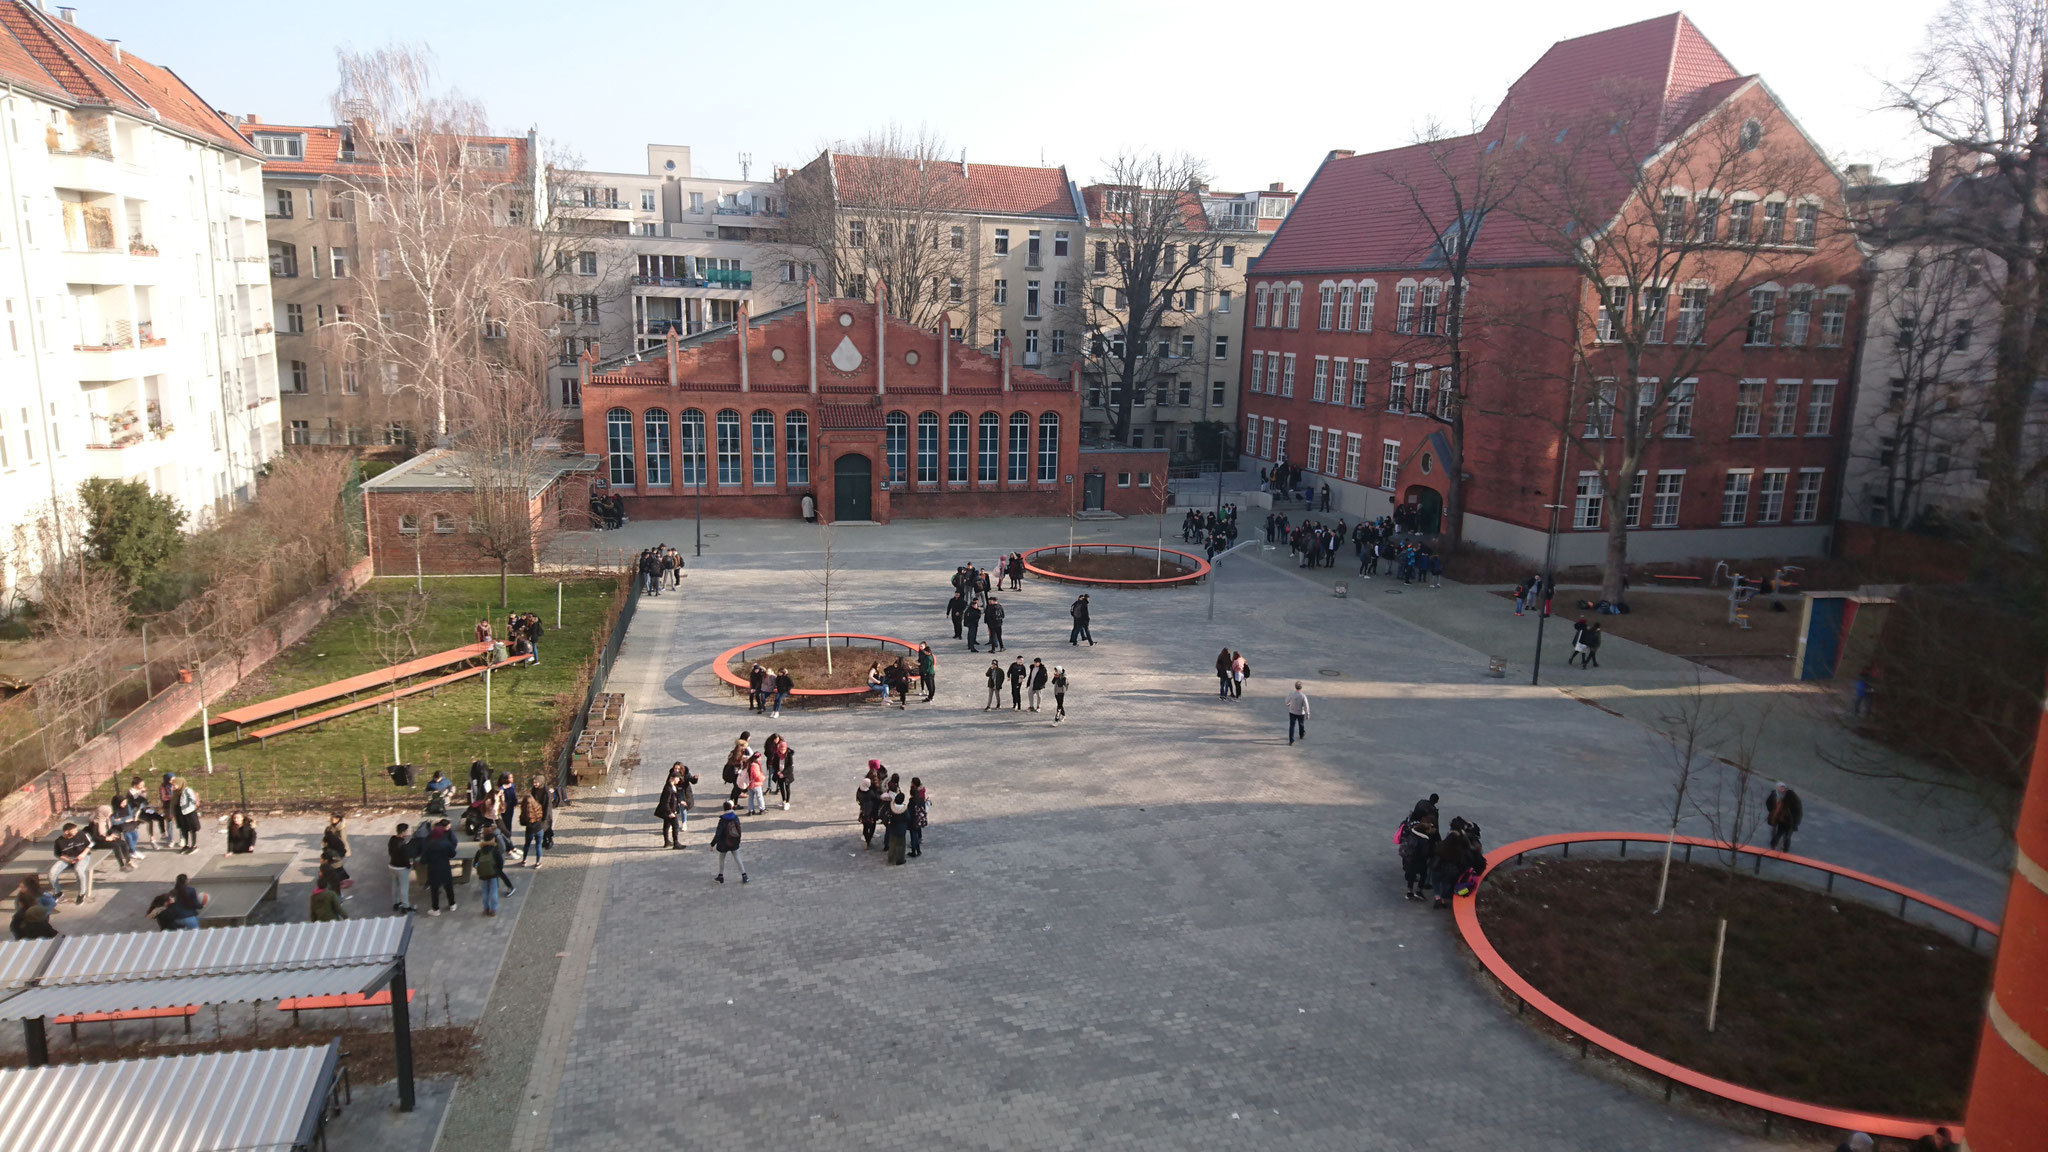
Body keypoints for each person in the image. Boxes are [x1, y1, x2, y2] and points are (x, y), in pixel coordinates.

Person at [50, 822, 94, 904]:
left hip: (82, 856)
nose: (76, 832)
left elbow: (90, 845)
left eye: (76, 830)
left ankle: (81, 894)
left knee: (78, 870)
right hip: (68, 858)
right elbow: (58, 854)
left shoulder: (81, 834)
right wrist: (67, 860)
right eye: (73, 831)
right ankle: (58, 893)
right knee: (52, 873)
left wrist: (83, 854)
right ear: (66, 832)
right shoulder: (59, 841)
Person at [422, 820, 458, 915]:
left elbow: (423, 860)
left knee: (434, 890)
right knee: (449, 887)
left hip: (433, 870)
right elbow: (452, 854)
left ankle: (436, 909)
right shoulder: (446, 843)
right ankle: (452, 904)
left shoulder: (428, 846)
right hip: (445, 867)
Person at [656, 764, 695, 847]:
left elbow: (674, 797)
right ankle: (676, 843)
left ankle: (667, 842)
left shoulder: (672, 786)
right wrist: (670, 812)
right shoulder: (668, 788)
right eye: (678, 779)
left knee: (666, 825)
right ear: (674, 779)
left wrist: (680, 801)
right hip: (669, 811)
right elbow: (665, 802)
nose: (679, 781)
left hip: (670, 810)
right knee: (676, 826)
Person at [1399, 818, 1437, 902]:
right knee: (1423, 874)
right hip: (1419, 861)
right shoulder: (1424, 841)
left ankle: (1409, 891)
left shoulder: (1411, 835)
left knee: (1411, 875)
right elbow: (1425, 853)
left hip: (1409, 859)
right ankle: (1419, 891)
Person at [473, 827, 508, 917]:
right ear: (493, 839)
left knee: (485, 892)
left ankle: (486, 908)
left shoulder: (479, 851)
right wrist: (497, 870)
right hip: (493, 874)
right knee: (493, 892)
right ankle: (493, 910)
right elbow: (500, 862)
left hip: (483, 875)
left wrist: (479, 869)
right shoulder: (494, 851)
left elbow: (475, 864)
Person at [88, 805, 136, 871]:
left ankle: (128, 861)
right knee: (115, 845)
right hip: (97, 842)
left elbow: (108, 831)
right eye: (108, 812)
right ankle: (121, 865)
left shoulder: (105, 820)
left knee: (122, 843)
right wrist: (106, 838)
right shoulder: (94, 824)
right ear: (103, 813)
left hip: (105, 838)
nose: (110, 814)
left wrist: (112, 835)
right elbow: (95, 838)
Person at [712, 801, 746, 883]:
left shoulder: (722, 820)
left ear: (724, 809)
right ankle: (744, 875)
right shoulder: (735, 817)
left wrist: (712, 844)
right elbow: (739, 830)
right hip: (734, 841)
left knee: (722, 859)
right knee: (737, 858)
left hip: (724, 843)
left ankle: (721, 876)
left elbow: (718, 834)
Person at [520, 776, 551, 866]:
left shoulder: (526, 812)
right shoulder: (538, 809)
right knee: (538, 845)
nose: (534, 784)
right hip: (538, 827)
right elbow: (542, 813)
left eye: (536, 782)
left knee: (527, 845)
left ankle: (524, 860)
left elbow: (522, 821)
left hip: (530, 829)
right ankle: (538, 862)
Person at [388, 822, 417, 912]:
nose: (407, 833)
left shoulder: (392, 839)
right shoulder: (402, 844)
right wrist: (409, 866)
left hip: (392, 865)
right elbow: (405, 858)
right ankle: (405, 906)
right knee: (404, 887)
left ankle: (396, 903)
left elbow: (390, 852)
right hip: (401, 868)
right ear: (403, 832)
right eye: (406, 831)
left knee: (395, 885)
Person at [1766, 783, 1803, 852]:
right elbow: (1798, 813)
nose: (1782, 790)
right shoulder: (1795, 801)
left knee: (1782, 834)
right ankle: (1782, 849)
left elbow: (1797, 812)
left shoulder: (1786, 799)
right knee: (1785, 835)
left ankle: (1775, 846)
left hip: (1785, 821)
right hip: (1786, 821)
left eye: (1783, 788)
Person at [172, 775, 202, 852]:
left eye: (175, 784)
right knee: (184, 829)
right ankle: (186, 845)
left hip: (189, 812)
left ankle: (194, 845)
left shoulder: (187, 790)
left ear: (180, 783)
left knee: (192, 829)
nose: (173, 786)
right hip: (180, 813)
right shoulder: (175, 792)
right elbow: (173, 803)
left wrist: (195, 802)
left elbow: (193, 799)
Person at [857, 762, 883, 849]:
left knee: (865, 825)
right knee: (872, 825)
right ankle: (869, 839)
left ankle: (866, 838)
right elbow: (877, 798)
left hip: (864, 811)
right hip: (872, 811)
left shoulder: (861, 790)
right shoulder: (871, 792)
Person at [765, 735, 794, 810]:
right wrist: (778, 772)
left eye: (783, 749)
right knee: (781, 787)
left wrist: (783, 773)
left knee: (787, 787)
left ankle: (787, 802)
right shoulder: (776, 754)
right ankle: (783, 800)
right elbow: (774, 765)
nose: (782, 751)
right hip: (779, 773)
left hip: (787, 774)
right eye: (781, 749)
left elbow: (790, 766)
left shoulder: (789, 755)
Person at [884, 789, 911, 865]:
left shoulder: (891, 808)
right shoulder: (904, 809)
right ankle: (900, 860)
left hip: (892, 828)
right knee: (901, 845)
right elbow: (908, 818)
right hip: (901, 830)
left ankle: (891, 857)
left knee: (892, 843)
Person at [908, 777, 930, 857]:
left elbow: (909, 812)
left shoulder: (912, 802)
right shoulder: (920, 799)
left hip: (913, 820)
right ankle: (918, 850)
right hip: (919, 819)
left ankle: (914, 851)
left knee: (913, 835)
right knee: (916, 834)